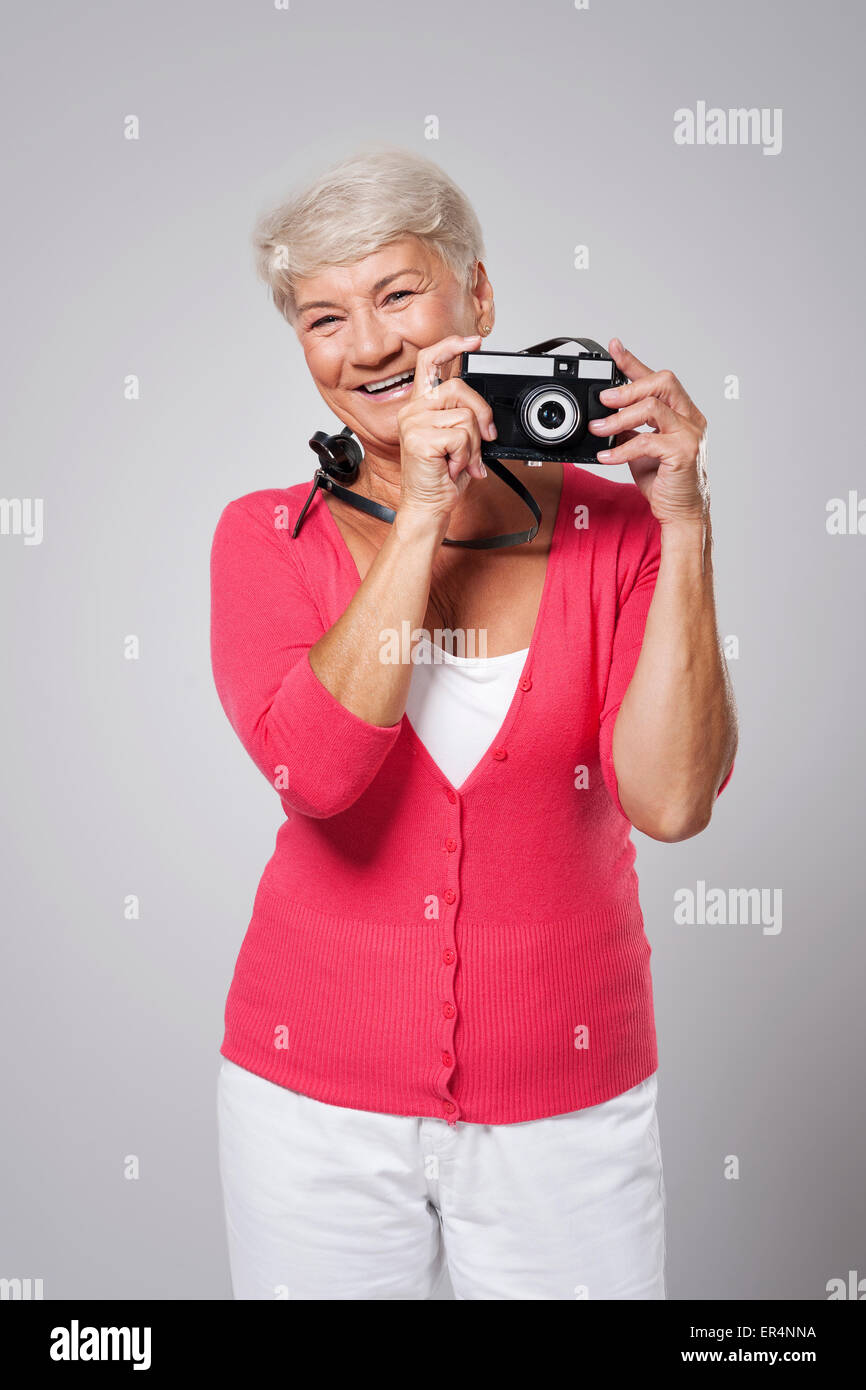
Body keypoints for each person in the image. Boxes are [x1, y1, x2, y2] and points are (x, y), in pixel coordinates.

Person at [209, 145, 738, 1300]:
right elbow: (320, 774)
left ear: (478, 296)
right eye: (323, 317)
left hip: (569, 1101)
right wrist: (420, 514)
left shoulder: (616, 534)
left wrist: (684, 520)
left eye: (399, 293)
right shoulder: (268, 538)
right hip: (313, 1108)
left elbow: (671, 801)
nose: (370, 345)